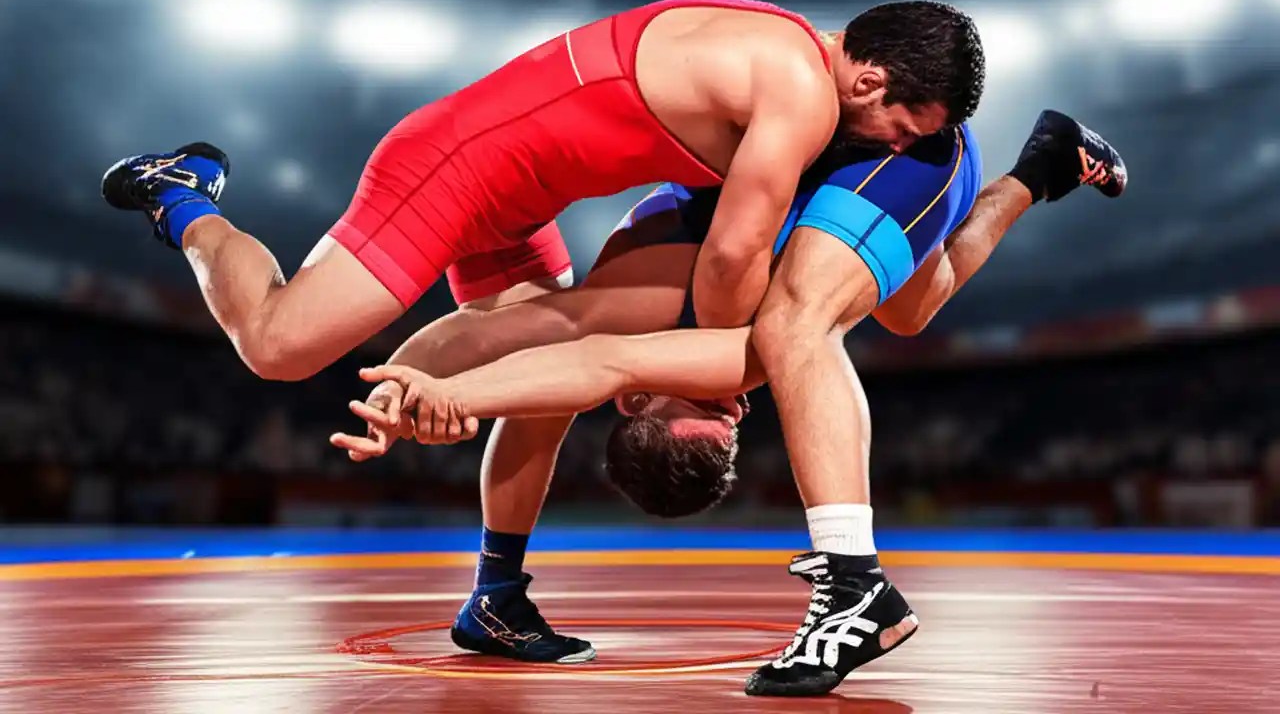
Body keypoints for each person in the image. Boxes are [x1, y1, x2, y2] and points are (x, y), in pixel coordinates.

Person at [332, 110, 1127, 694]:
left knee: (798, 328)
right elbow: (579, 364)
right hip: (844, 184)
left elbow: (518, 336)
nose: (741, 408)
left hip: (836, 147)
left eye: (709, 410)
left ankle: (853, 578)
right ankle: (1039, 170)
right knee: (903, 311)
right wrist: (413, 397)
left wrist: (402, 389)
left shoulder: (639, 318)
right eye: (733, 427)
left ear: (638, 399)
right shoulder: (730, 363)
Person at [99, 0, 984, 383]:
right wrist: (721, 367)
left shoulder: (784, 48)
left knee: (540, 381)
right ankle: (184, 197)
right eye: (901, 130)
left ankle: (496, 594)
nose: (890, 146)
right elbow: (732, 257)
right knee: (277, 346)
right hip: (452, 167)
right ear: (869, 81)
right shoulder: (794, 90)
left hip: (519, 199)